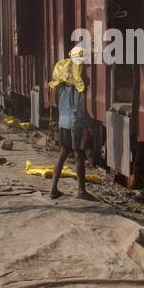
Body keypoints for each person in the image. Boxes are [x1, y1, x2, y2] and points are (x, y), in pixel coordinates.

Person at [46, 44, 90, 200]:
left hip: (63, 121)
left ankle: (53, 190)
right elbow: (80, 106)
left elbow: (58, 101)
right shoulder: (80, 80)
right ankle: (81, 191)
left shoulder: (61, 78)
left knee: (62, 154)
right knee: (79, 155)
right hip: (76, 122)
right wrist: (85, 124)